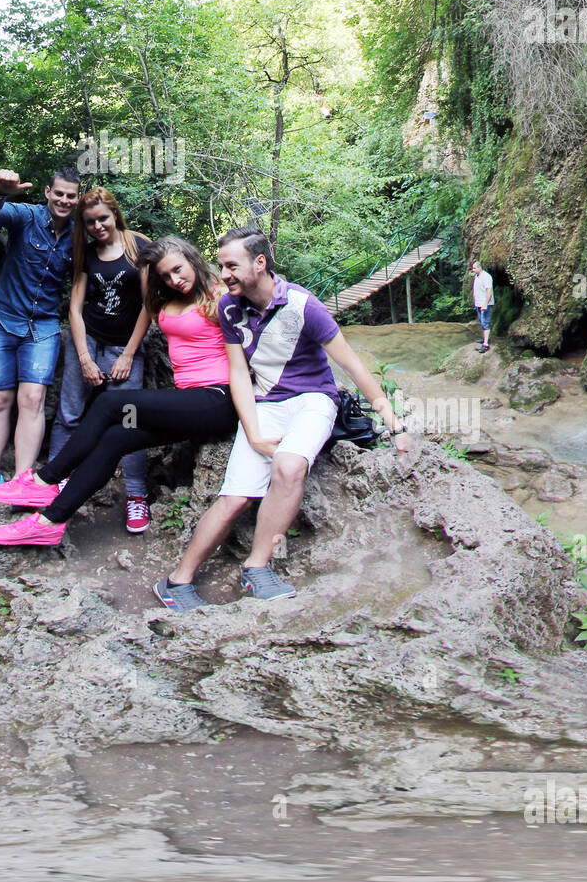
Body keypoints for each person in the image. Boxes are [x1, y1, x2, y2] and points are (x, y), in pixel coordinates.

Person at [156, 226, 412, 607]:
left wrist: (393, 421)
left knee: (289, 468)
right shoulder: (228, 307)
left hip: (313, 400)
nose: (223, 275)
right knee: (234, 498)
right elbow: (239, 373)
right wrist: (253, 431)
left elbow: (352, 364)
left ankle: (257, 567)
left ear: (259, 263)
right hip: (265, 404)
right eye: (221, 265)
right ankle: (177, 582)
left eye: (231, 266)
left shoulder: (303, 305)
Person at [0, 235, 247, 550]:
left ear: (191, 259)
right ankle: (49, 522)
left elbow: (256, 336)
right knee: (117, 437)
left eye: (178, 269)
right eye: (166, 275)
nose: (175, 280)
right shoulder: (163, 298)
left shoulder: (219, 296)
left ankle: (43, 481)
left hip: (216, 401)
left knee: (110, 402)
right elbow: (132, 291)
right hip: (187, 409)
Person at [0, 166, 80, 513]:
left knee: (34, 397)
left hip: (42, 327)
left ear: (76, 199)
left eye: (71, 196)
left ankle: (23, 481)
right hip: (3, 319)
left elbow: (110, 247)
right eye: (59, 193)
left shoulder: (78, 234)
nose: (64, 200)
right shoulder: (25, 216)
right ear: (47, 192)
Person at [50, 188, 156, 531]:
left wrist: (127, 355)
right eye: (90, 221)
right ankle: (53, 481)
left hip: (124, 347)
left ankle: (137, 496)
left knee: (130, 422)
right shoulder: (86, 251)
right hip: (89, 340)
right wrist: (83, 358)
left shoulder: (138, 245)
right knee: (69, 413)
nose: (97, 226)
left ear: (115, 215)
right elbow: (75, 307)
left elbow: (148, 305)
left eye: (103, 219)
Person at [472, 261, 496, 354]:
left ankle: (485, 344)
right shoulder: (477, 276)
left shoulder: (486, 277)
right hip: (478, 303)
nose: (473, 270)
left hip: (485, 304)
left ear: (479, 268)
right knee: (482, 322)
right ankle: (484, 338)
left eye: (474, 268)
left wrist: (485, 304)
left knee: (485, 322)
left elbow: (489, 290)